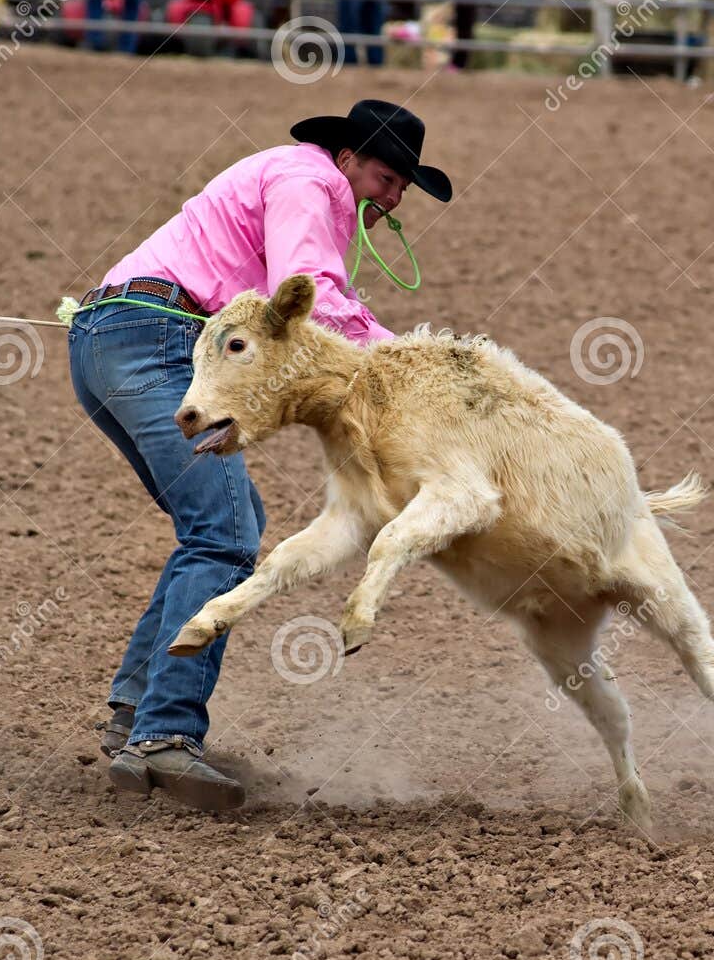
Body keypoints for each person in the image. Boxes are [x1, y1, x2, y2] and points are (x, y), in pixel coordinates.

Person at [68, 100, 452, 810]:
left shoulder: (295, 177)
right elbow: (311, 302)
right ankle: (164, 732)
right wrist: (416, 369)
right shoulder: (314, 186)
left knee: (224, 521)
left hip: (111, 338)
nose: (395, 196)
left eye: (404, 186)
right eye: (388, 176)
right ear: (346, 158)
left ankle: (136, 711)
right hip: (155, 342)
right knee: (225, 531)